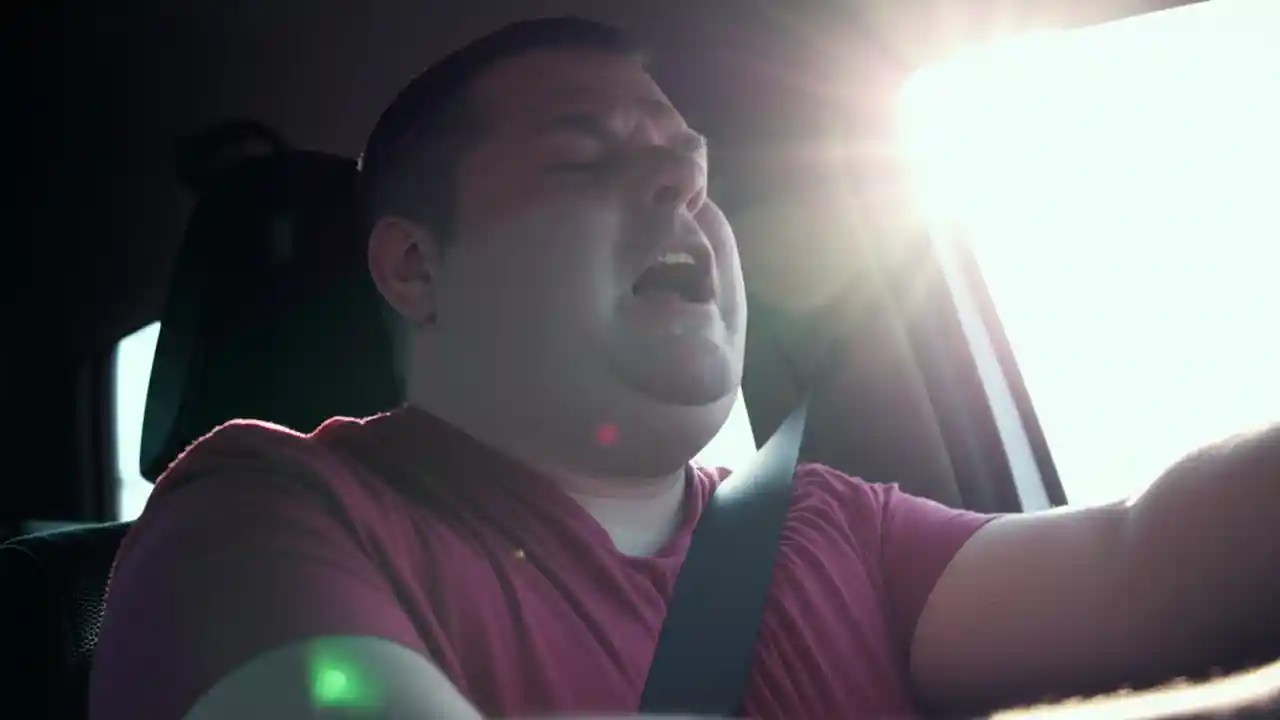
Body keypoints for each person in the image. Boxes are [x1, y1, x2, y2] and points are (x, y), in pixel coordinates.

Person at [89, 16, 1279, 720]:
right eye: (586, 157)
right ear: (415, 267)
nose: (681, 191)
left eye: (690, 166)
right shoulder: (258, 522)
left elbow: (1139, 564)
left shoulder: (835, 531)